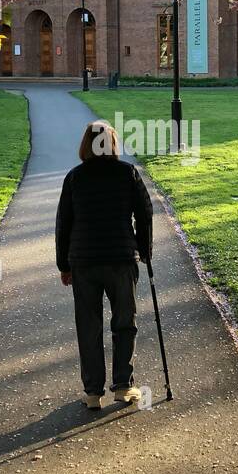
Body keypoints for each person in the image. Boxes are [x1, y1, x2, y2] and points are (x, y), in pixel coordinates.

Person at [55, 119, 153, 409]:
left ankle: (93, 392)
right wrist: (144, 249)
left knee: (89, 326)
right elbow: (145, 214)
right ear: (112, 143)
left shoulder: (75, 177)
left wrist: (64, 265)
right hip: (120, 259)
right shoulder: (127, 174)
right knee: (124, 322)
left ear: (86, 144)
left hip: (84, 261)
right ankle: (123, 385)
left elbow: (64, 224)